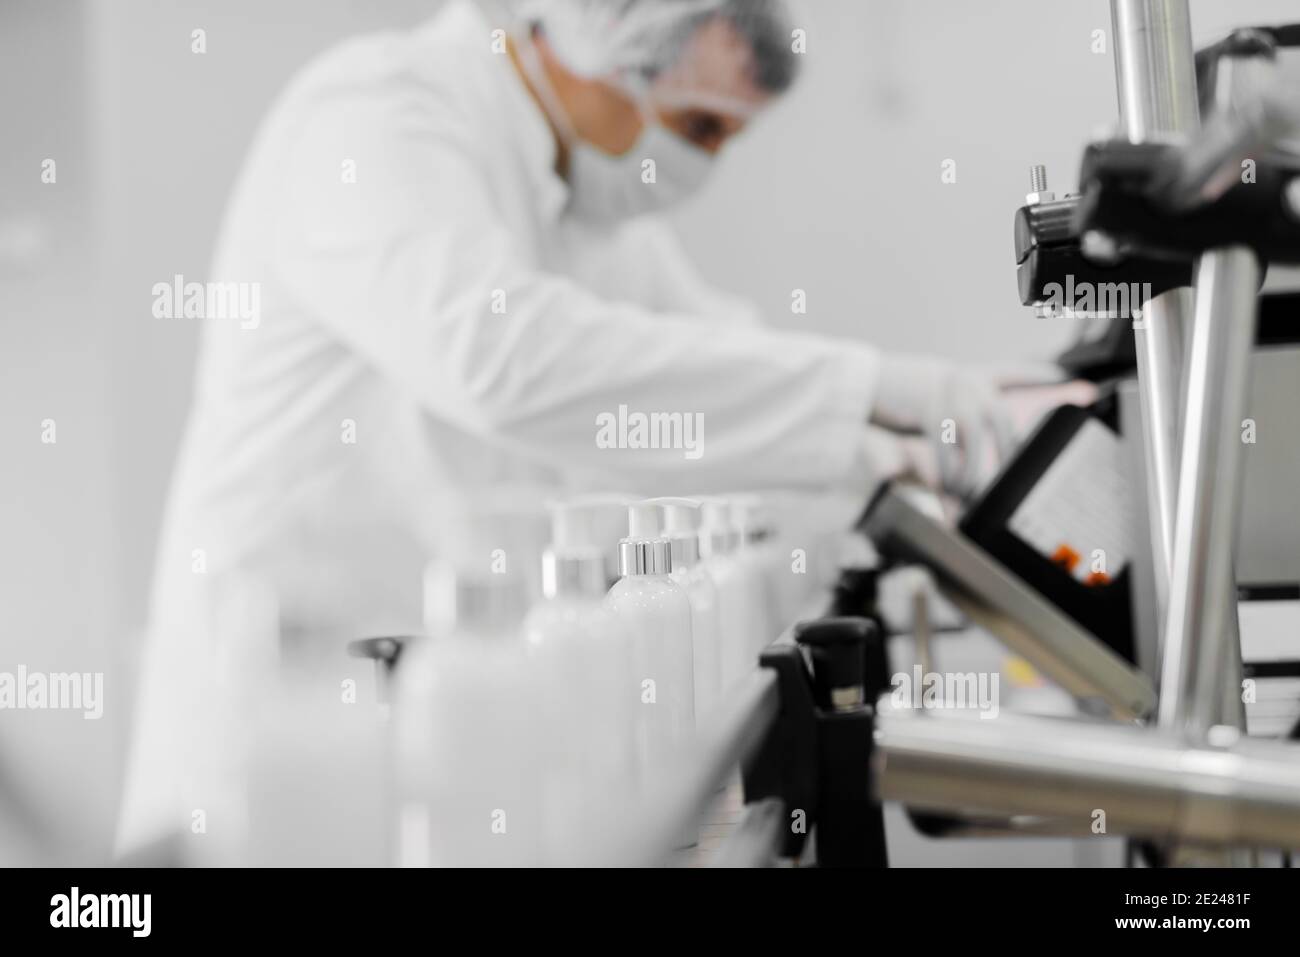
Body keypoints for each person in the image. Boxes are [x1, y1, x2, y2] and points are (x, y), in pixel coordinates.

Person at [116, 0, 1015, 856]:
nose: (704, 166)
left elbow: (708, 362)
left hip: (463, 724)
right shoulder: (379, 116)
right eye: (698, 126)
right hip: (291, 721)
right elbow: (508, 358)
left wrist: (890, 445)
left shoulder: (593, 213)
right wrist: (873, 387)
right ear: (601, 44)